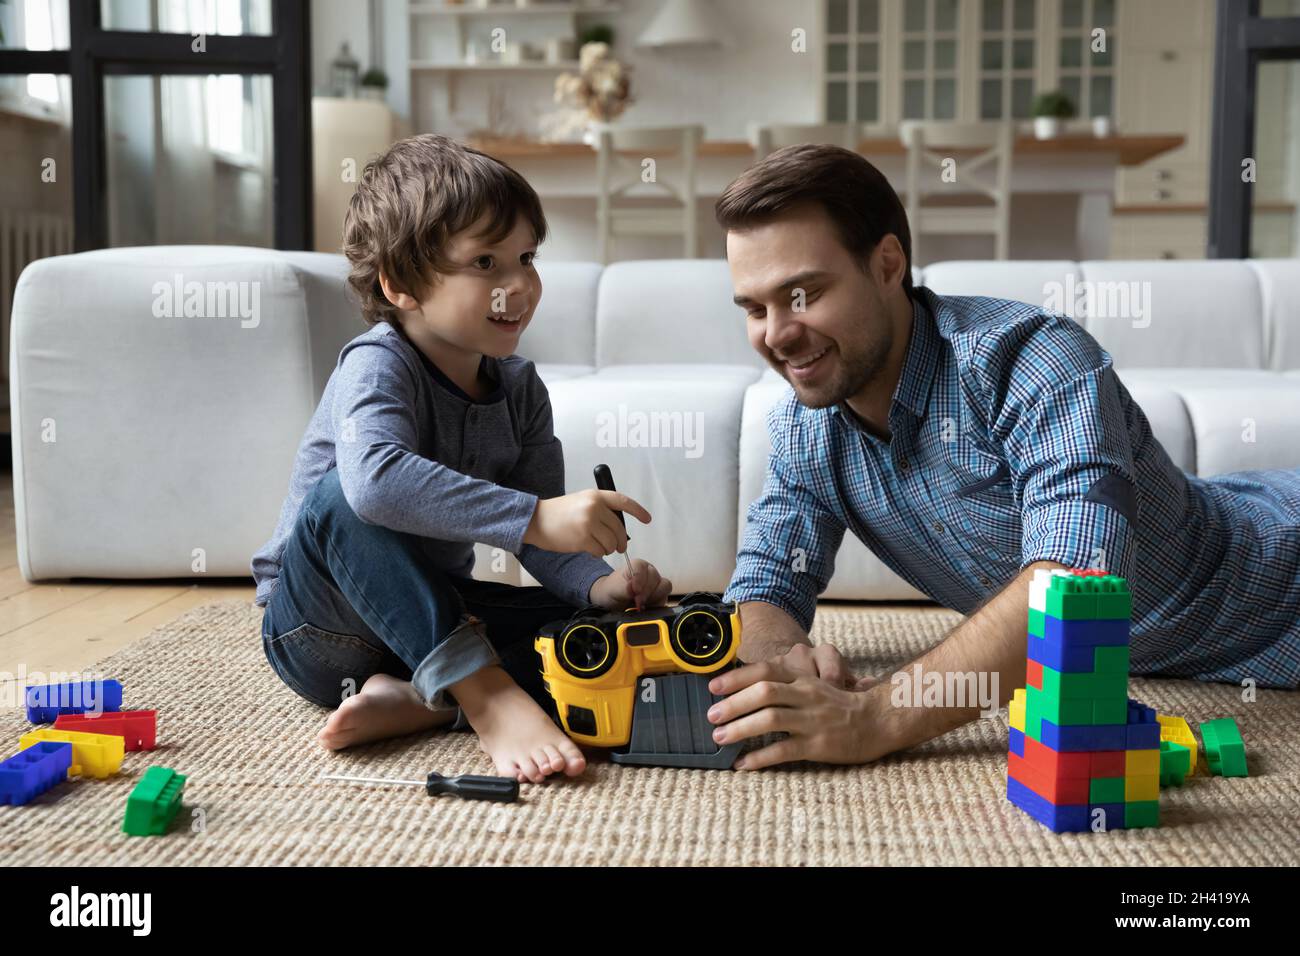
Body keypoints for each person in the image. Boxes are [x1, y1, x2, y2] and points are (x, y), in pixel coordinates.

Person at [706, 144, 1300, 771]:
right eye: (754, 308)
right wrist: (781, 658)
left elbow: (1075, 586)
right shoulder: (807, 432)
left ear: (886, 264)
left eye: (801, 295)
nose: (776, 333)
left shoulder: (1032, 362)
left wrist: (876, 716)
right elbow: (765, 587)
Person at [251, 135, 671, 784]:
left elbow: (545, 544)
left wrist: (598, 586)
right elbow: (374, 487)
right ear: (400, 283)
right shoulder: (377, 364)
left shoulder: (520, 387)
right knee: (339, 493)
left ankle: (421, 700)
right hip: (320, 626)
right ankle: (483, 695)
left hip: (437, 611)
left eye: (526, 257)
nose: (518, 285)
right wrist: (535, 516)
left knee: (594, 636)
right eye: (485, 261)